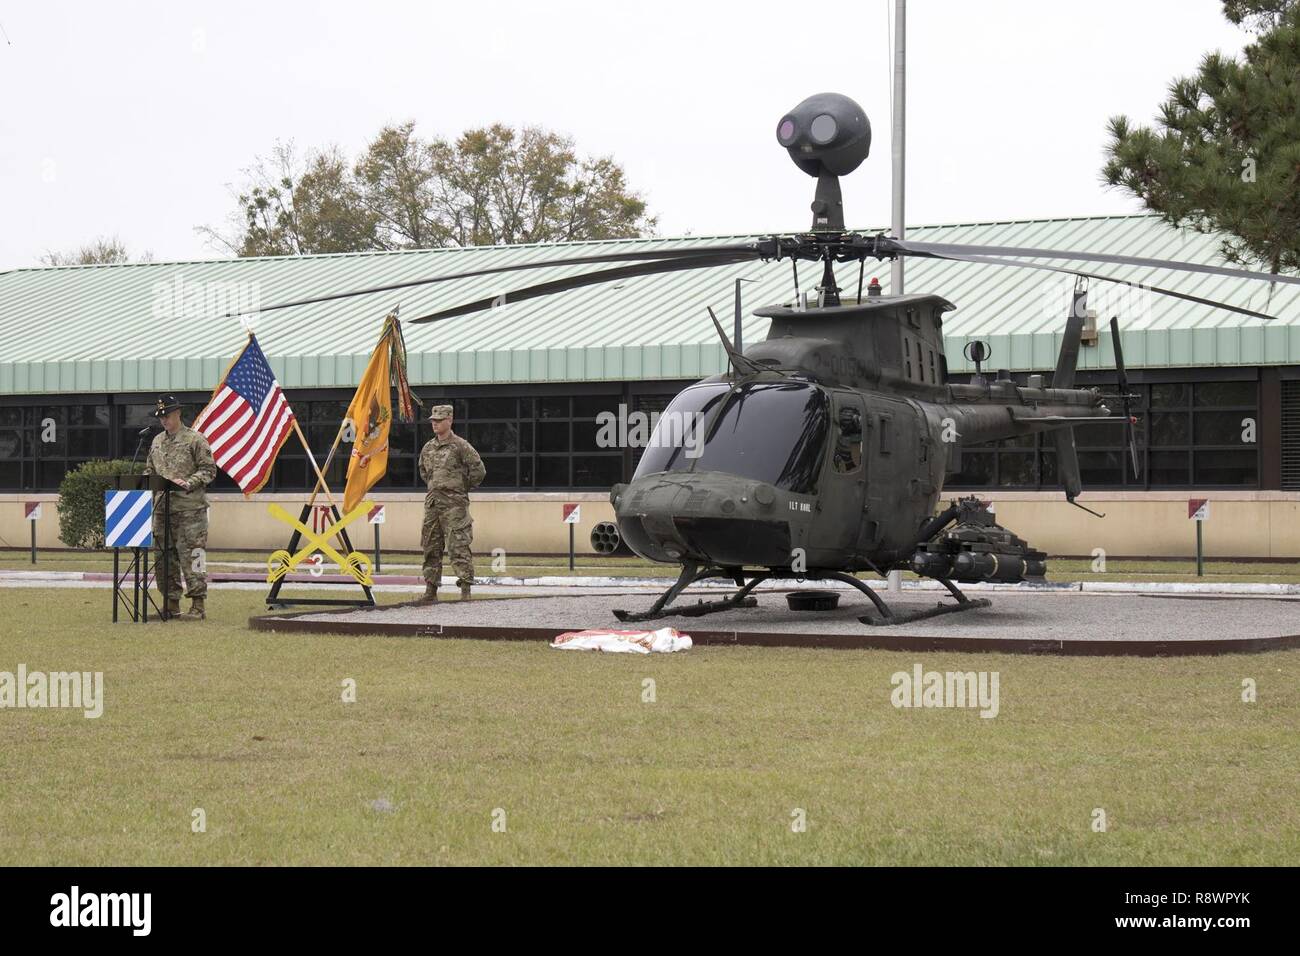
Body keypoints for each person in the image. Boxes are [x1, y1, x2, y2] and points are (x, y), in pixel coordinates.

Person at [142, 395, 216, 620]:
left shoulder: (195, 440)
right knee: (164, 558)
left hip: (190, 510)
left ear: (177, 414)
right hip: (163, 510)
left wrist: (190, 482)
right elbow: (150, 469)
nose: (164, 420)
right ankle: (170, 603)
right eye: (160, 417)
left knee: (193, 556)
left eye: (167, 415)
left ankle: (198, 605)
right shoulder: (156, 442)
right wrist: (144, 482)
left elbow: (209, 470)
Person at [418, 404, 486, 602]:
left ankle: (465, 590)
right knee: (431, 546)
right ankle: (431, 590)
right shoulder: (428, 447)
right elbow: (424, 471)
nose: (435, 424)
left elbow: (478, 470)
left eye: (439, 421)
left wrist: (461, 488)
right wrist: (436, 486)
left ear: (449, 420)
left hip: (454, 505)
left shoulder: (460, 446)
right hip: (433, 504)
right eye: (433, 421)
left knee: (458, 546)